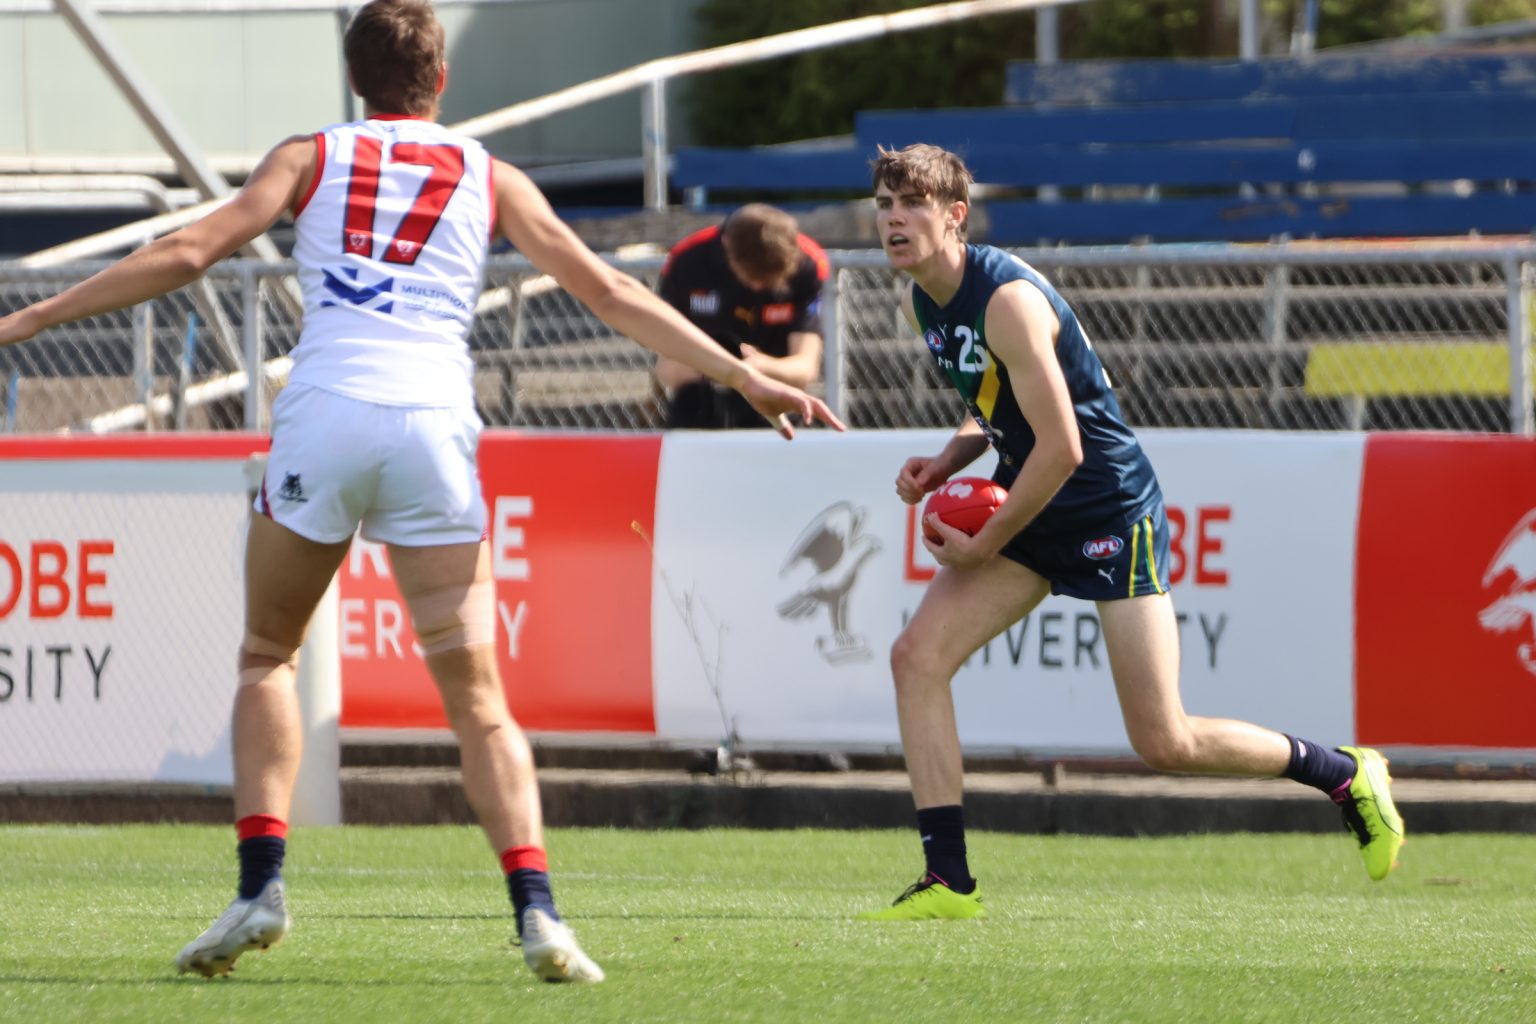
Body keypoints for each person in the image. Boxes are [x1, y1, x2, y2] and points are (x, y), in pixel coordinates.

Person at [0, 0, 842, 981]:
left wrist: (30, 320)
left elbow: (189, 251)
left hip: (326, 415)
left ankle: (260, 886)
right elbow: (609, 292)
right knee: (479, 702)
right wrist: (742, 373)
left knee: (269, 654)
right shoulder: (490, 174)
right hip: (433, 431)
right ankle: (539, 913)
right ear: (442, 79)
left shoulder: (309, 155)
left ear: (356, 81)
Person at [858, 143, 1402, 921]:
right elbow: (998, 404)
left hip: (1106, 507)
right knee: (917, 658)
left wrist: (987, 539)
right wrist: (948, 460)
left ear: (955, 216)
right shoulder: (926, 298)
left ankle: (1342, 773)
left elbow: (1064, 448)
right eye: (884, 205)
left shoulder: (1005, 300)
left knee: (1164, 740)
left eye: (912, 204)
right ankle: (948, 879)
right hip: (1032, 497)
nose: (894, 219)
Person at [654, 203, 828, 429]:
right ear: (727, 247)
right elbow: (668, 368)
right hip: (700, 400)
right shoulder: (687, 261)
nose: (757, 287)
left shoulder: (807, 261)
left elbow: (805, 368)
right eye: (752, 277)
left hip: (776, 396)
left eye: (769, 282)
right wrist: (724, 365)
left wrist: (758, 365)